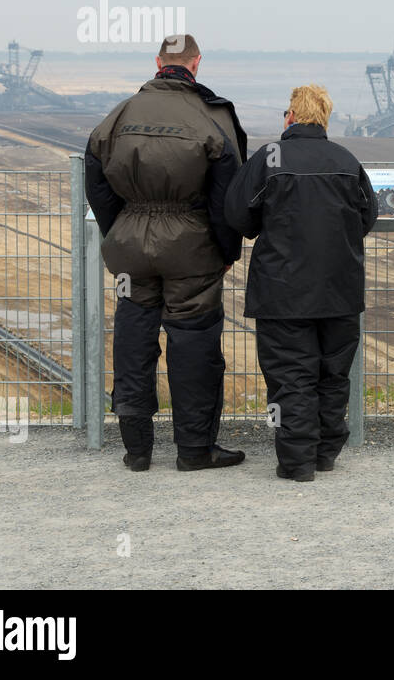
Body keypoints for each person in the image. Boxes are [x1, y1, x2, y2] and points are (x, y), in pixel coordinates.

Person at [84, 34, 247, 472]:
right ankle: (195, 451)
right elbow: (226, 195)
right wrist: (226, 248)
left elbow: (96, 183)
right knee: (194, 343)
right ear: (195, 64)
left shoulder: (119, 115)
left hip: (130, 243)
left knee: (133, 340)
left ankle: (137, 451)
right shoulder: (211, 117)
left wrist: (118, 230)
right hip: (192, 245)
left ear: (158, 62)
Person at [224, 84, 378, 482]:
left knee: (292, 375)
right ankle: (325, 454)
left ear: (290, 116)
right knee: (332, 374)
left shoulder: (270, 158)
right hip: (339, 292)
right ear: (325, 118)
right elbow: (367, 217)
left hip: (282, 293)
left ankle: (296, 462)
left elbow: (239, 215)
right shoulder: (346, 160)